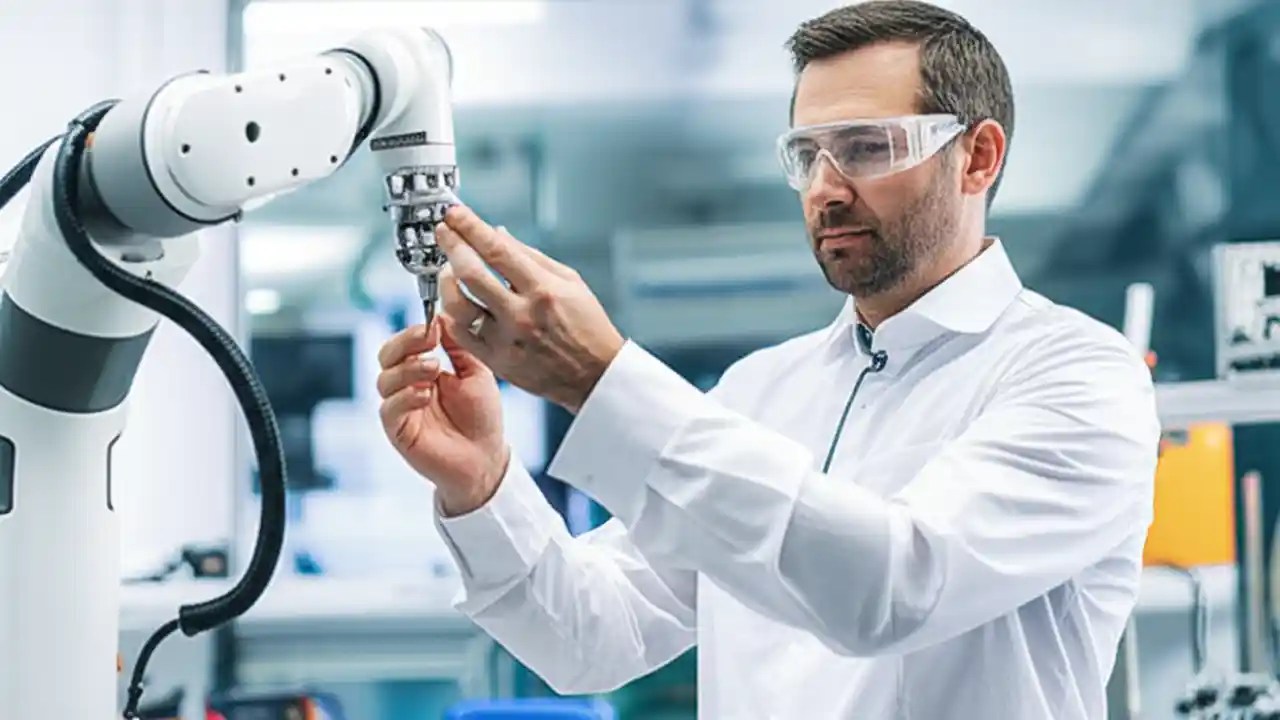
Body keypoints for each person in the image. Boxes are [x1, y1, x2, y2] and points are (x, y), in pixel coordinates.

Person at [374, 1, 1160, 717]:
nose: (826, 188)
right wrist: (482, 488)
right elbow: (591, 637)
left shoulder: (1077, 374)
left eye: (865, 147)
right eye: (807, 155)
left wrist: (603, 381)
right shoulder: (758, 391)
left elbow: (895, 589)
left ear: (978, 156)